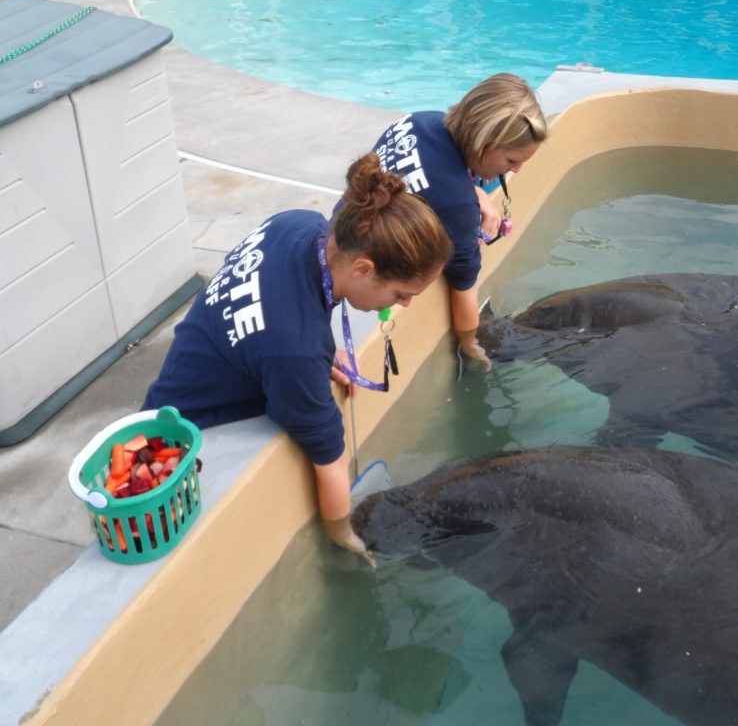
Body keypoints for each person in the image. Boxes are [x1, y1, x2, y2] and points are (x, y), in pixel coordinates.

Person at [142, 153, 452, 559]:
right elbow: (332, 461)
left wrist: (318, 350)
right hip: (180, 441)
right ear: (362, 269)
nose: (405, 305)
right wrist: (346, 539)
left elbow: (274, 311)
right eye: (401, 294)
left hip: (179, 382)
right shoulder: (295, 351)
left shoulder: (299, 226)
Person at [372, 72, 548, 370]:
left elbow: (430, 174)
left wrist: (474, 191)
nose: (515, 169)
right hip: (381, 253)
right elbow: (464, 284)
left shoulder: (422, 120)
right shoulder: (456, 207)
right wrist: (471, 344)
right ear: (482, 143)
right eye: (511, 160)